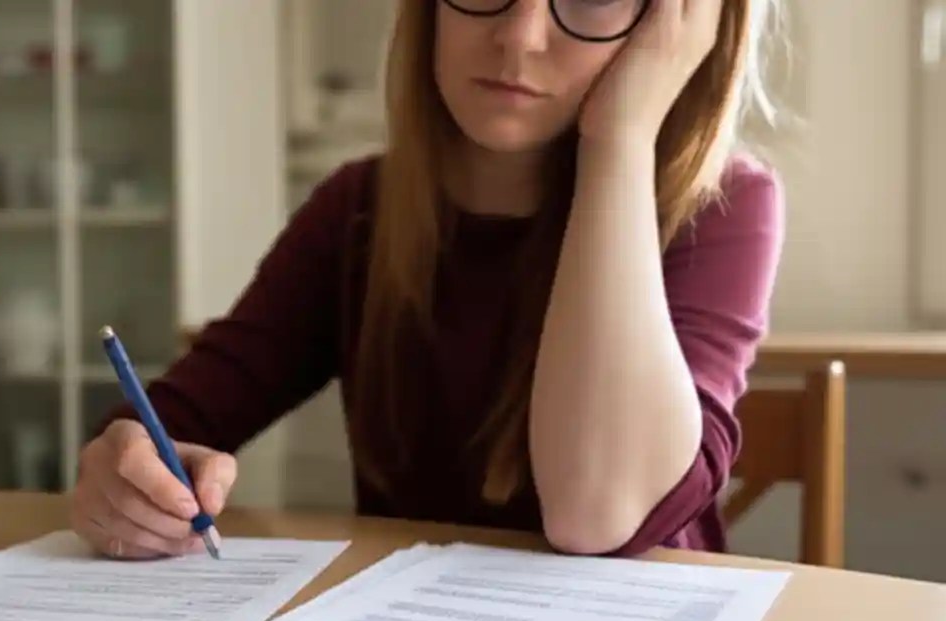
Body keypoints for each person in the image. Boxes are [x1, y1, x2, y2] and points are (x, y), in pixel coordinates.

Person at [71, 0, 784, 560]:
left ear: (682, 24)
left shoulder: (722, 208)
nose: (521, 36)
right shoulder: (358, 209)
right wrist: (128, 475)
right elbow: (158, 427)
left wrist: (622, 135)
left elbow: (596, 516)